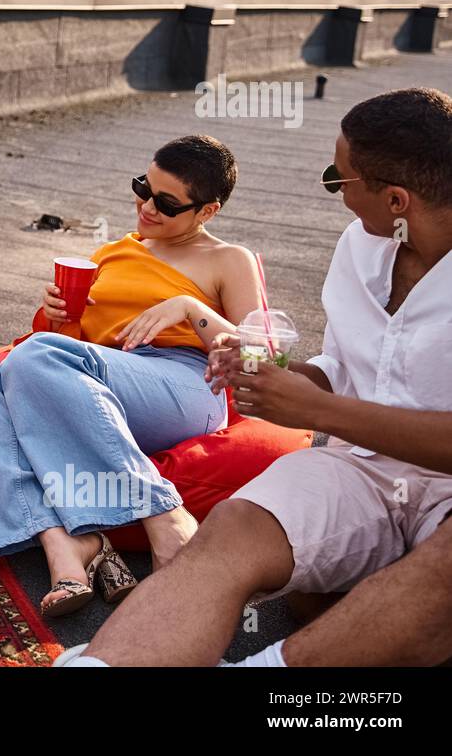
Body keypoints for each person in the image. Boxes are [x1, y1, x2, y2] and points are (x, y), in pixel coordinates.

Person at [66, 87, 452, 666]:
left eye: (339, 180)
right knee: (233, 527)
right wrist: (274, 378)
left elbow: (335, 408)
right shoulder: (362, 246)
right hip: (361, 467)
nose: (334, 194)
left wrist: (317, 412)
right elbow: (345, 373)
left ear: (397, 199)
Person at [0, 135, 264, 616]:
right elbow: (69, 343)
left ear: (207, 211)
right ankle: (66, 546)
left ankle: (162, 513)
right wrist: (53, 314)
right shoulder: (114, 251)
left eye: (167, 203)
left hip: (183, 383)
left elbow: (261, 357)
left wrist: (189, 307)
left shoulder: (228, 259)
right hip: (97, 382)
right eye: (143, 187)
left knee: (38, 356)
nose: (146, 207)